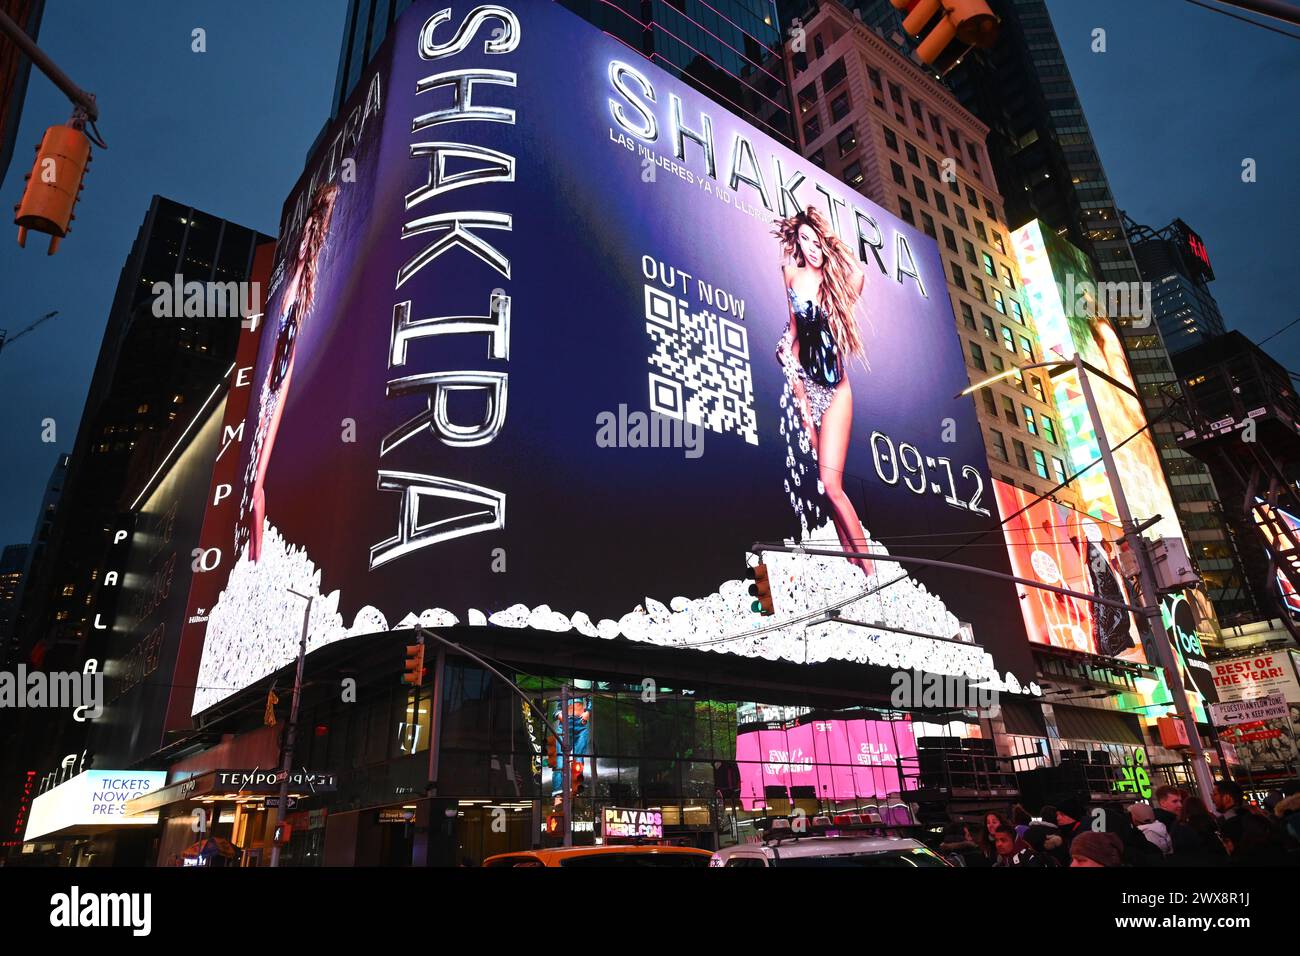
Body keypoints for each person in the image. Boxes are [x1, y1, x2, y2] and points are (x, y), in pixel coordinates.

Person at [241, 182, 341, 563]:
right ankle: (254, 557)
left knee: (257, 485)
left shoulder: (301, 285)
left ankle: (255, 556)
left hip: (279, 376)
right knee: (255, 486)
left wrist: (323, 211)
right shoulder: (294, 286)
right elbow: (303, 256)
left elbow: (306, 254)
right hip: (274, 377)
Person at [773, 206, 873, 579]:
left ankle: (872, 575)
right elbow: (796, 329)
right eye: (805, 241)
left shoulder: (838, 284)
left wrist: (834, 246)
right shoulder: (790, 274)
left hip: (836, 389)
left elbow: (859, 274)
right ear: (797, 243)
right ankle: (851, 564)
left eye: (817, 242)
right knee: (822, 480)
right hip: (803, 384)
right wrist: (786, 353)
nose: (812, 249)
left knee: (833, 484)